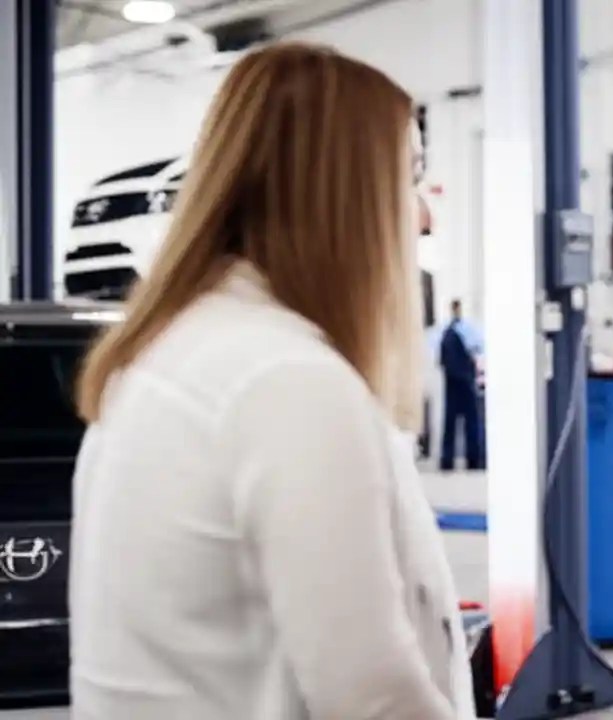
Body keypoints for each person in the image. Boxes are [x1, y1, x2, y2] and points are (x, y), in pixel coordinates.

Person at [69, 43, 474, 719]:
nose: (425, 215)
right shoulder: (284, 380)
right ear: (343, 195)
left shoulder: (173, 350)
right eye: (407, 175)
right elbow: (370, 696)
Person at [438, 299, 485, 471]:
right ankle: (472, 460)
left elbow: (443, 361)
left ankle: (448, 461)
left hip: (453, 384)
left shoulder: (448, 334)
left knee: (452, 425)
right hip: (463, 383)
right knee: (469, 423)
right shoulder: (462, 332)